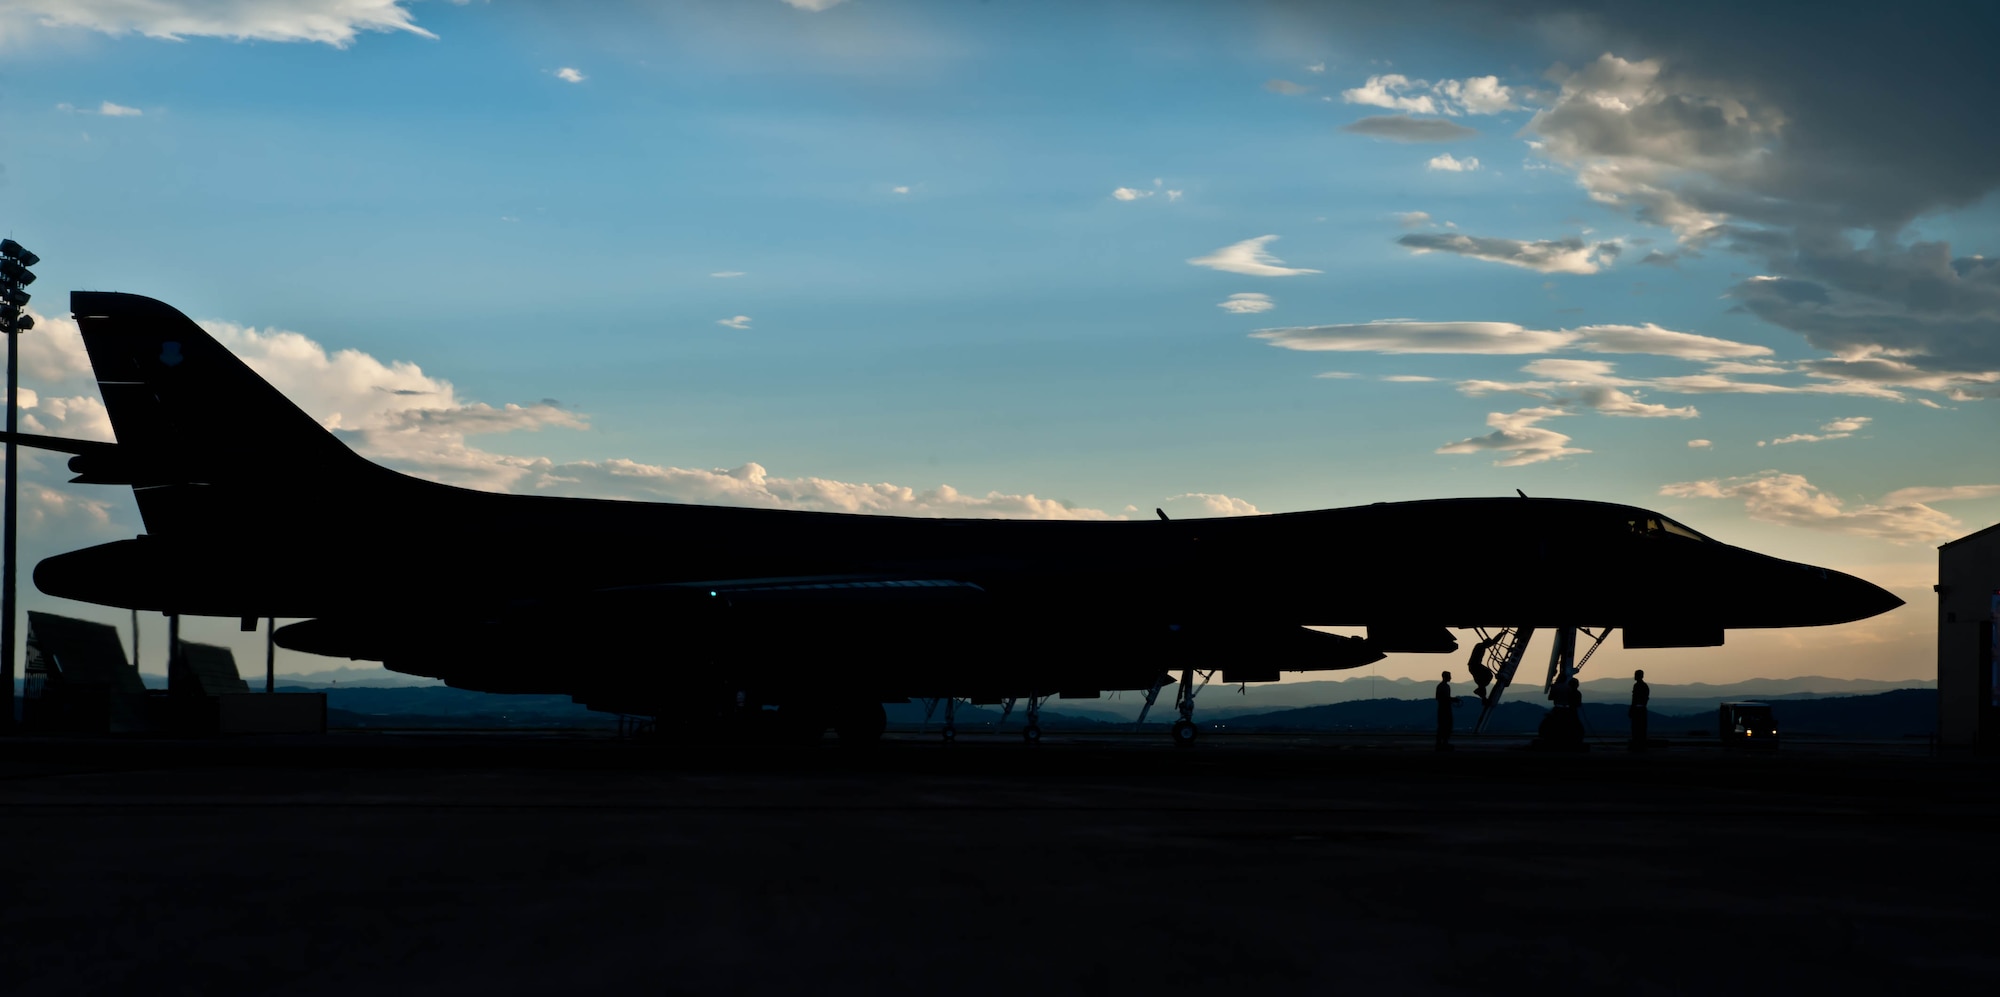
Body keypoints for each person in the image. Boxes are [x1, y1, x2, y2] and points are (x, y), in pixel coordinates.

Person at [1466, 638, 1496, 705]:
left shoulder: (1479, 645)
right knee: (1488, 675)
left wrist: (1501, 634)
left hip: (1474, 666)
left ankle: (1483, 698)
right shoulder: (1480, 646)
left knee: (1482, 682)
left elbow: (1493, 642)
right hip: (1475, 666)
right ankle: (1482, 696)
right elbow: (1493, 642)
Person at [1629, 669, 1651, 752]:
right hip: (1640, 710)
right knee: (1640, 728)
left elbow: (1634, 699)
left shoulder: (1638, 686)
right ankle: (1640, 745)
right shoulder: (1643, 686)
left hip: (1638, 710)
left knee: (1637, 728)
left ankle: (1639, 745)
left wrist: (1632, 709)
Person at [1435, 670, 1455, 751]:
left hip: (1445, 708)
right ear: (1445, 677)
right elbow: (1439, 698)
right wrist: (1451, 699)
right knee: (1444, 726)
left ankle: (1443, 742)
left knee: (1445, 726)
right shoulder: (1442, 686)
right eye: (1449, 676)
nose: (1451, 678)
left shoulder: (1444, 686)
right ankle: (1442, 743)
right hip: (1444, 709)